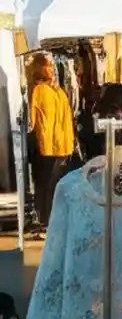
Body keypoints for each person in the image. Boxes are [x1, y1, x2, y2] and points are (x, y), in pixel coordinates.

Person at [27, 53, 74, 233]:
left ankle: (45, 220)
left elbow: (33, 121)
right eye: (48, 66)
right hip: (55, 145)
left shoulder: (47, 90)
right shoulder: (50, 90)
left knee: (47, 184)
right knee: (49, 184)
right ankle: (47, 220)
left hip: (52, 145)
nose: (52, 69)